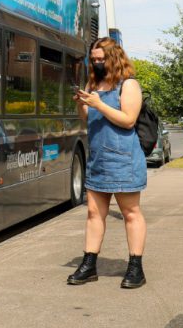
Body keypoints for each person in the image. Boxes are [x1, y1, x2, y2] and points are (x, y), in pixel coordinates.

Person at [67, 37, 148, 289]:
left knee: (130, 213)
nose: (97, 63)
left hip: (123, 159)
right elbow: (87, 119)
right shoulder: (94, 83)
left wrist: (99, 104)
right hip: (98, 159)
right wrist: (84, 104)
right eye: (94, 60)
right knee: (93, 213)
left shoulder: (129, 84)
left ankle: (135, 267)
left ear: (114, 58)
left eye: (101, 59)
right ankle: (89, 265)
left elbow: (128, 120)